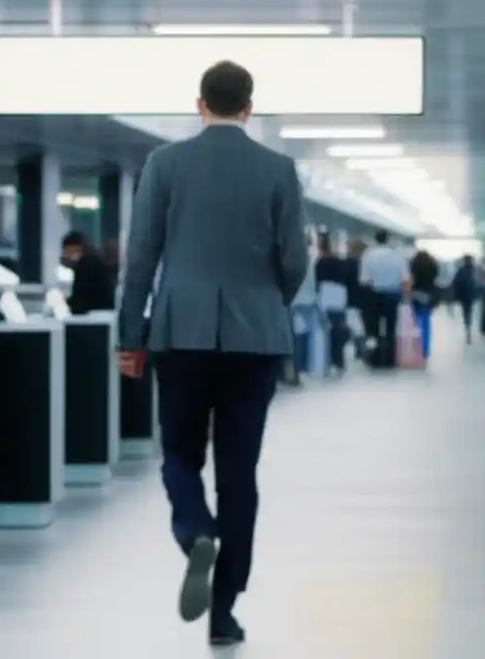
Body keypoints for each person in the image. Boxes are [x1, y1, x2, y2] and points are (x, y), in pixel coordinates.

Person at [116, 60, 308, 646]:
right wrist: (269, 304)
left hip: (181, 333)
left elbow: (142, 256)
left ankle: (195, 530)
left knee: (178, 453)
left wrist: (131, 336)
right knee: (240, 473)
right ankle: (224, 611)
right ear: (249, 107)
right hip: (255, 340)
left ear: (200, 104)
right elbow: (295, 260)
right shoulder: (278, 170)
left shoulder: (165, 164)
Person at [359, 229, 409, 368]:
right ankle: (389, 359)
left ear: (376, 239)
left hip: (372, 295)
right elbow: (405, 278)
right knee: (390, 328)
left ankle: (373, 358)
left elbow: (363, 280)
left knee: (372, 329)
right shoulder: (397, 256)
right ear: (388, 239)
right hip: (392, 295)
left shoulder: (368, 255)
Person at [314, 233, 351, 375]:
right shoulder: (339, 262)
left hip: (326, 299)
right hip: (339, 299)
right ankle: (339, 360)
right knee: (338, 331)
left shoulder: (320, 263)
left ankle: (328, 360)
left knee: (327, 332)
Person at [287, 229, 320, 382]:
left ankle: (294, 370)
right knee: (305, 337)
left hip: (293, 302)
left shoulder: (291, 258)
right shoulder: (314, 257)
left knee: (292, 339)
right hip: (309, 301)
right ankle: (302, 368)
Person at [62, 231, 116, 315]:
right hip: (105, 314)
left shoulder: (83, 268)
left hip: (93, 317)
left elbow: (80, 301)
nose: (66, 255)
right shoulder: (95, 262)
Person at [408, 248, 441, 360]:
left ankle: (415, 347)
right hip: (427, 295)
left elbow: (410, 280)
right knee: (426, 322)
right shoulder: (432, 266)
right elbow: (435, 280)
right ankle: (425, 348)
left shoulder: (413, 265)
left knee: (414, 322)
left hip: (415, 294)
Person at [451, 254, 479, 343]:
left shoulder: (461, 270)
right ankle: (468, 326)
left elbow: (455, 282)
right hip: (471, 295)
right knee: (469, 310)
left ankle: (467, 326)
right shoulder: (475, 270)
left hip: (463, 295)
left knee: (465, 311)